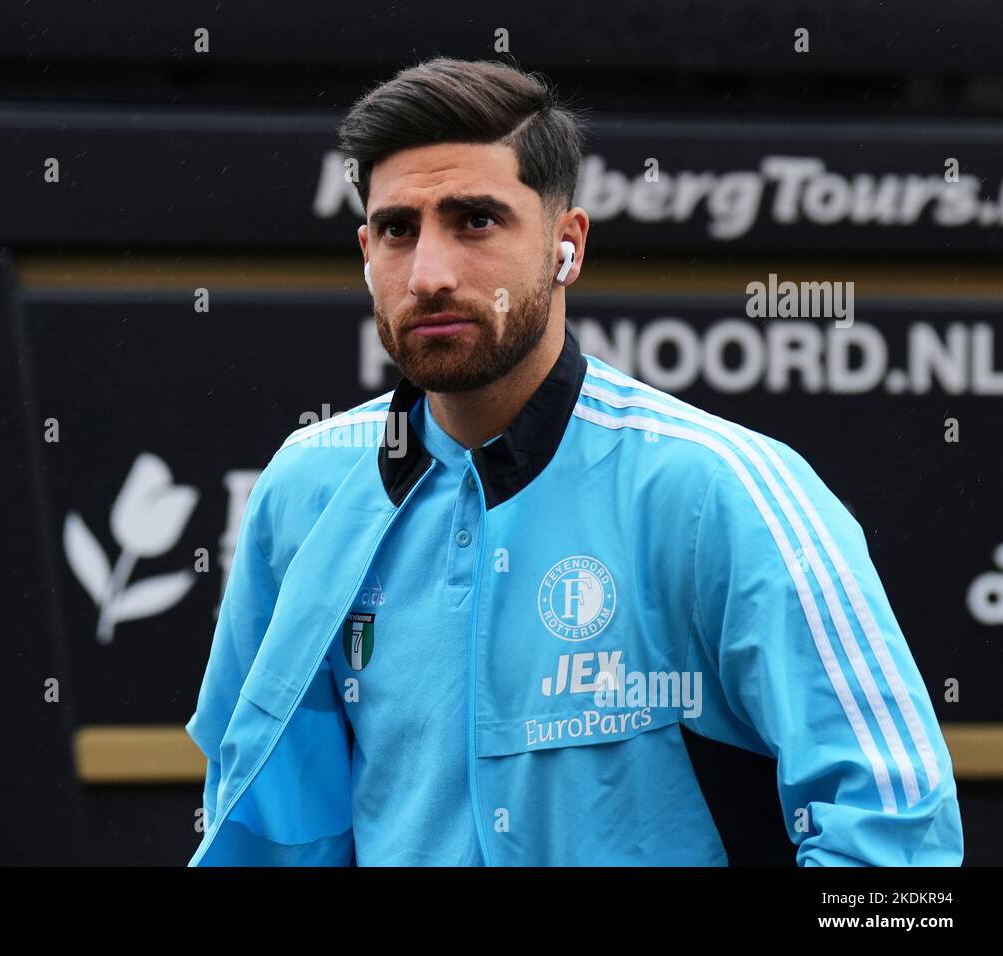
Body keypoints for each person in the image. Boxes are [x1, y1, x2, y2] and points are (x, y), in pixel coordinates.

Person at [185, 56, 963, 866]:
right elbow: (264, 831)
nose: (431, 274)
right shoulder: (305, 488)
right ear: (365, 251)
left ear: (567, 245)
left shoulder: (720, 490)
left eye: (476, 220)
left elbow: (898, 850)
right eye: (397, 230)